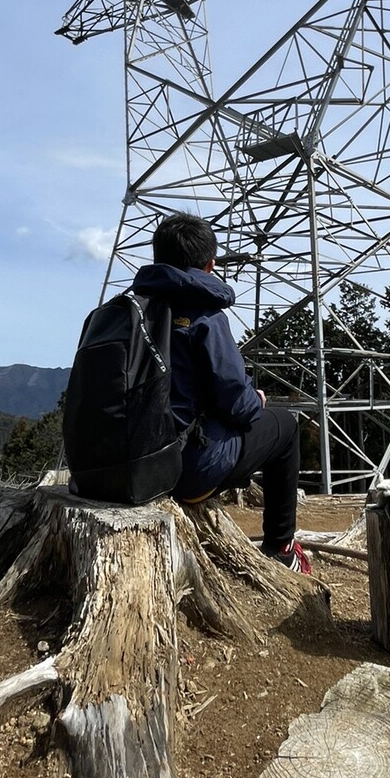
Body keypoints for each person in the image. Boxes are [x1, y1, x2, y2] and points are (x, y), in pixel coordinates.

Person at [131, 211, 311, 573]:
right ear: (210, 264)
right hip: (183, 470)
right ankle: (281, 547)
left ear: (156, 259)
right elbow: (237, 406)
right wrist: (255, 400)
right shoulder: (206, 317)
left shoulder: (128, 308)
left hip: (121, 463)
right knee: (287, 426)